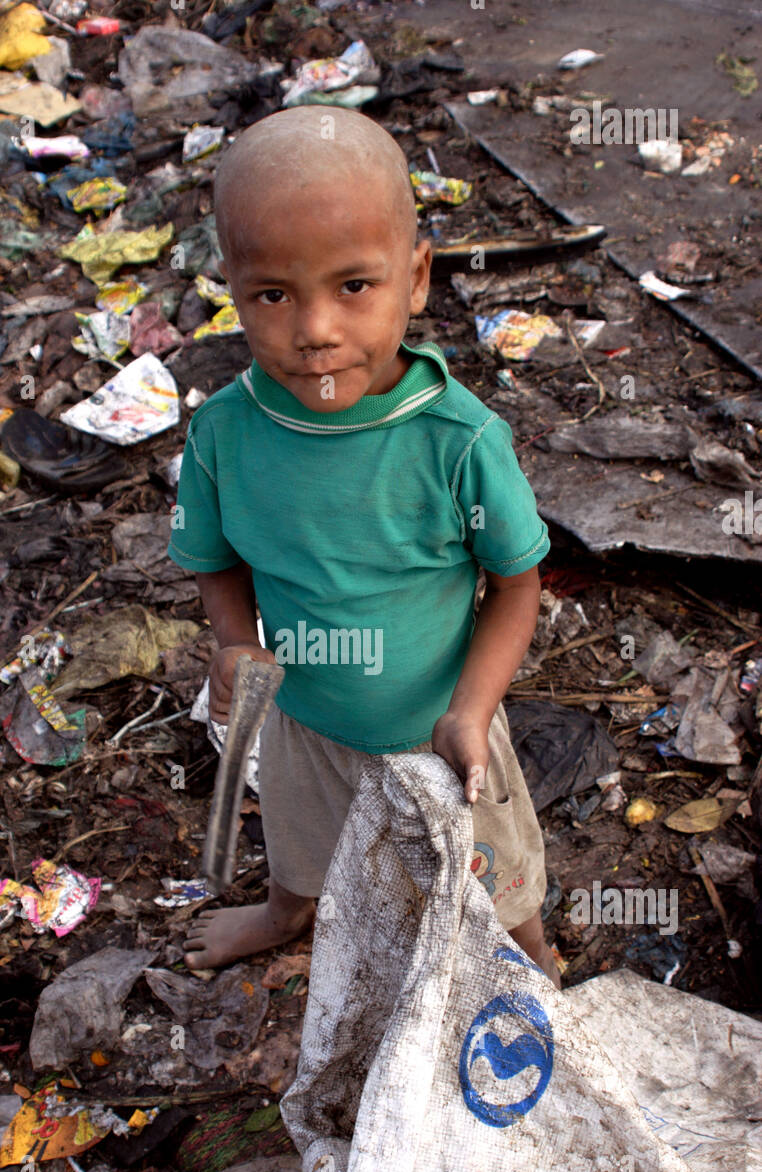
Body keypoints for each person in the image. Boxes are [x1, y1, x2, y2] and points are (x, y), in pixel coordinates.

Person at [167, 106, 561, 989]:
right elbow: (216, 558)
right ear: (231, 290)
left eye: (354, 286)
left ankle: (533, 962)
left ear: (416, 279)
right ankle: (285, 915)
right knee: (303, 847)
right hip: (307, 721)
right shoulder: (226, 434)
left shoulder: (456, 442)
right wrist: (234, 641)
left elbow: (518, 584)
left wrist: (471, 708)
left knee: (497, 879)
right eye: (273, 293)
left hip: (444, 730)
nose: (313, 329)